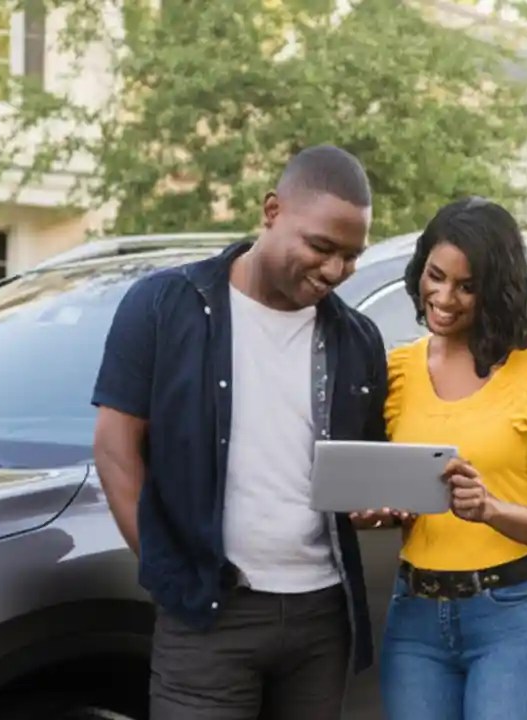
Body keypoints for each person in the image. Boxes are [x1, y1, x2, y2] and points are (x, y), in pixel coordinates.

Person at [90, 144, 391, 720]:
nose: (334, 271)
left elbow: (359, 470)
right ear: (272, 211)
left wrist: (374, 507)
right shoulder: (164, 305)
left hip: (323, 619)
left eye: (351, 257)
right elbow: (115, 448)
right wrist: (168, 571)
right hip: (208, 614)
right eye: (322, 247)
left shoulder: (359, 340)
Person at [374, 196, 527, 720]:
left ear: (495, 290)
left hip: (517, 621)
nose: (445, 298)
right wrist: (378, 510)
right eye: (436, 276)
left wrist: (490, 508)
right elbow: (391, 486)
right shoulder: (396, 371)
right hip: (416, 619)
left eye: (467, 287)